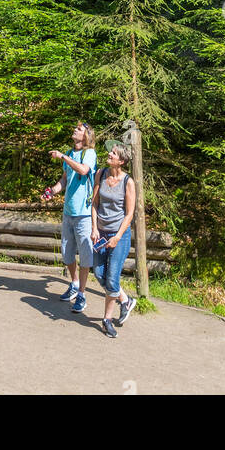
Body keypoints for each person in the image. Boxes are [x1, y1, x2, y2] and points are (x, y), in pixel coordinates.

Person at [42, 121, 96, 314]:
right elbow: (65, 179)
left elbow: (83, 170)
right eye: (75, 128)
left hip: (84, 213)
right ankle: (74, 284)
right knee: (66, 252)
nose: (74, 130)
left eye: (79, 129)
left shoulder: (89, 153)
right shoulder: (70, 152)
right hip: (68, 211)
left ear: (86, 135)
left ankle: (82, 294)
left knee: (85, 255)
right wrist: (53, 191)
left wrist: (63, 156)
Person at [91, 142, 137, 337]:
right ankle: (125, 300)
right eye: (111, 151)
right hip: (100, 234)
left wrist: (117, 236)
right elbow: (94, 203)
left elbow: (129, 213)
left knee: (111, 278)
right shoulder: (100, 174)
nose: (109, 154)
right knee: (99, 274)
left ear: (122, 161)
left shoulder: (128, 182)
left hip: (120, 235)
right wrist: (94, 228)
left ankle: (106, 320)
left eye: (114, 153)